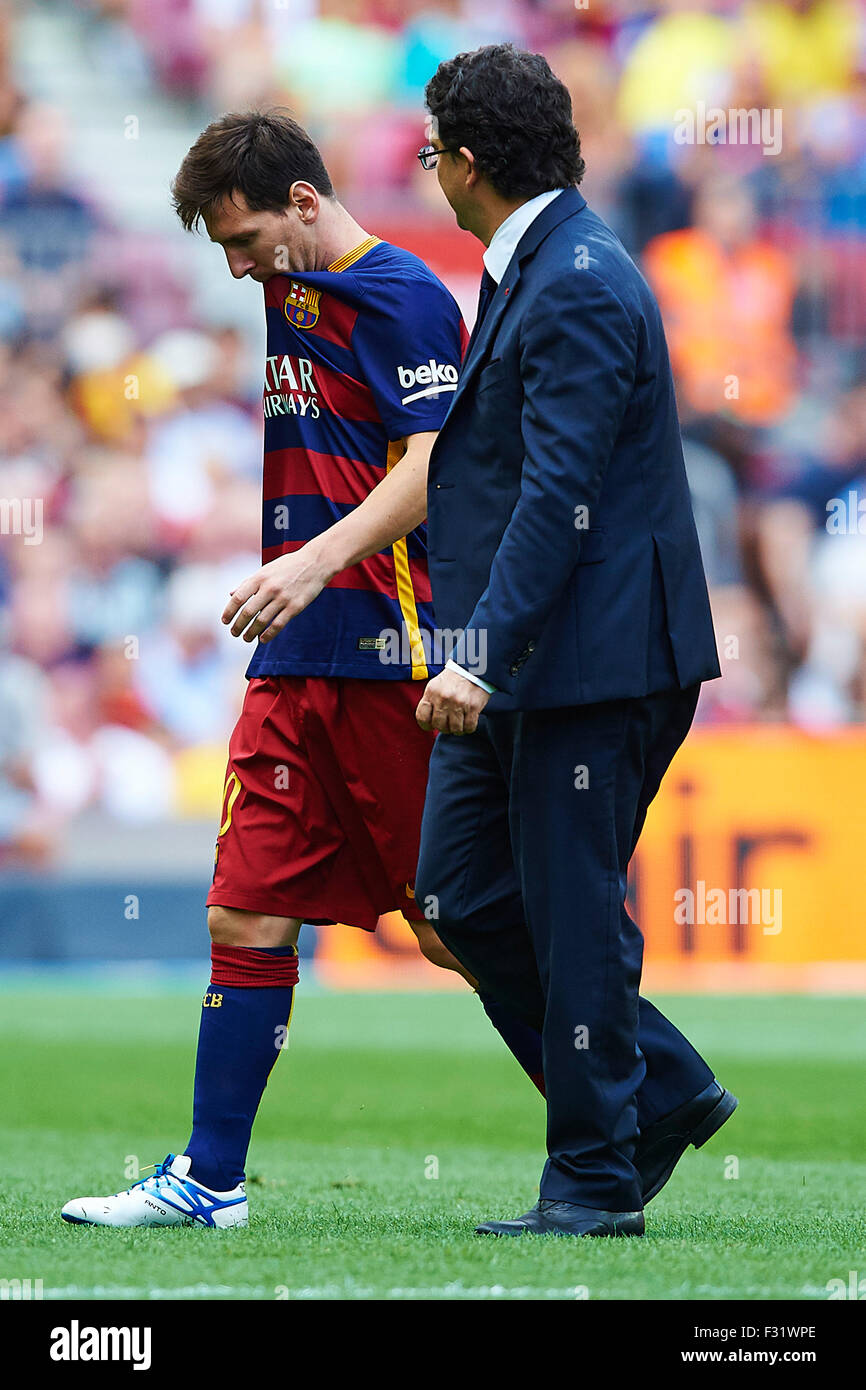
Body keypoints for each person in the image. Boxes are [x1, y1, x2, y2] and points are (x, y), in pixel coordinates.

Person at [59, 108, 510, 1227]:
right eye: (223, 248)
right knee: (245, 916)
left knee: (456, 927)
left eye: (246, 239)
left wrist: (308, 561)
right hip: (292, 658)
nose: (237, 266)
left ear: (305, 203)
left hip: (380, 655)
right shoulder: (284, 282)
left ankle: (629, 1106)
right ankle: (210, 1179)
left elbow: (430, 467)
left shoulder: (403, 295)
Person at [414, 44, 737, 1238]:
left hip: (591, 663)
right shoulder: (541, 265)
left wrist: (477, 649)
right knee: (452, 891)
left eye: (432, 149)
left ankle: (595, 1180)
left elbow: (559, 493)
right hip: (536, 657)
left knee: (568, 906)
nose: (428, 170)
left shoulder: (578, 278)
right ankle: (657, 1091)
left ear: (470, 161)